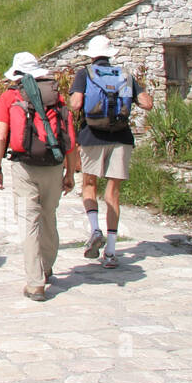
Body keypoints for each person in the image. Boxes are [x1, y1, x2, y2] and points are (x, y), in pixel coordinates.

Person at [0, 52, 79, 302]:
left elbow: (0, 136)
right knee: (48, 215)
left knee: (29, 221)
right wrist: (70, 172)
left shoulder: (10, 96)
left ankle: (35, 282)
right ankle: (47, 266)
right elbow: (69, 138)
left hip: (24, 166)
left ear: (17, 74)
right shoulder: (56, 95)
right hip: (54, 164)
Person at [67, 35, 153, 268]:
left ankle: (95, 230)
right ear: (110, 54)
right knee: (112, 193)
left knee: (89, 184)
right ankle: (112, 252)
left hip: (92, 136)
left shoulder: (85, 74)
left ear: (92, 55)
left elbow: (75, 104)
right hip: (121, 137)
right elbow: (147, 103)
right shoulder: (124, 74)